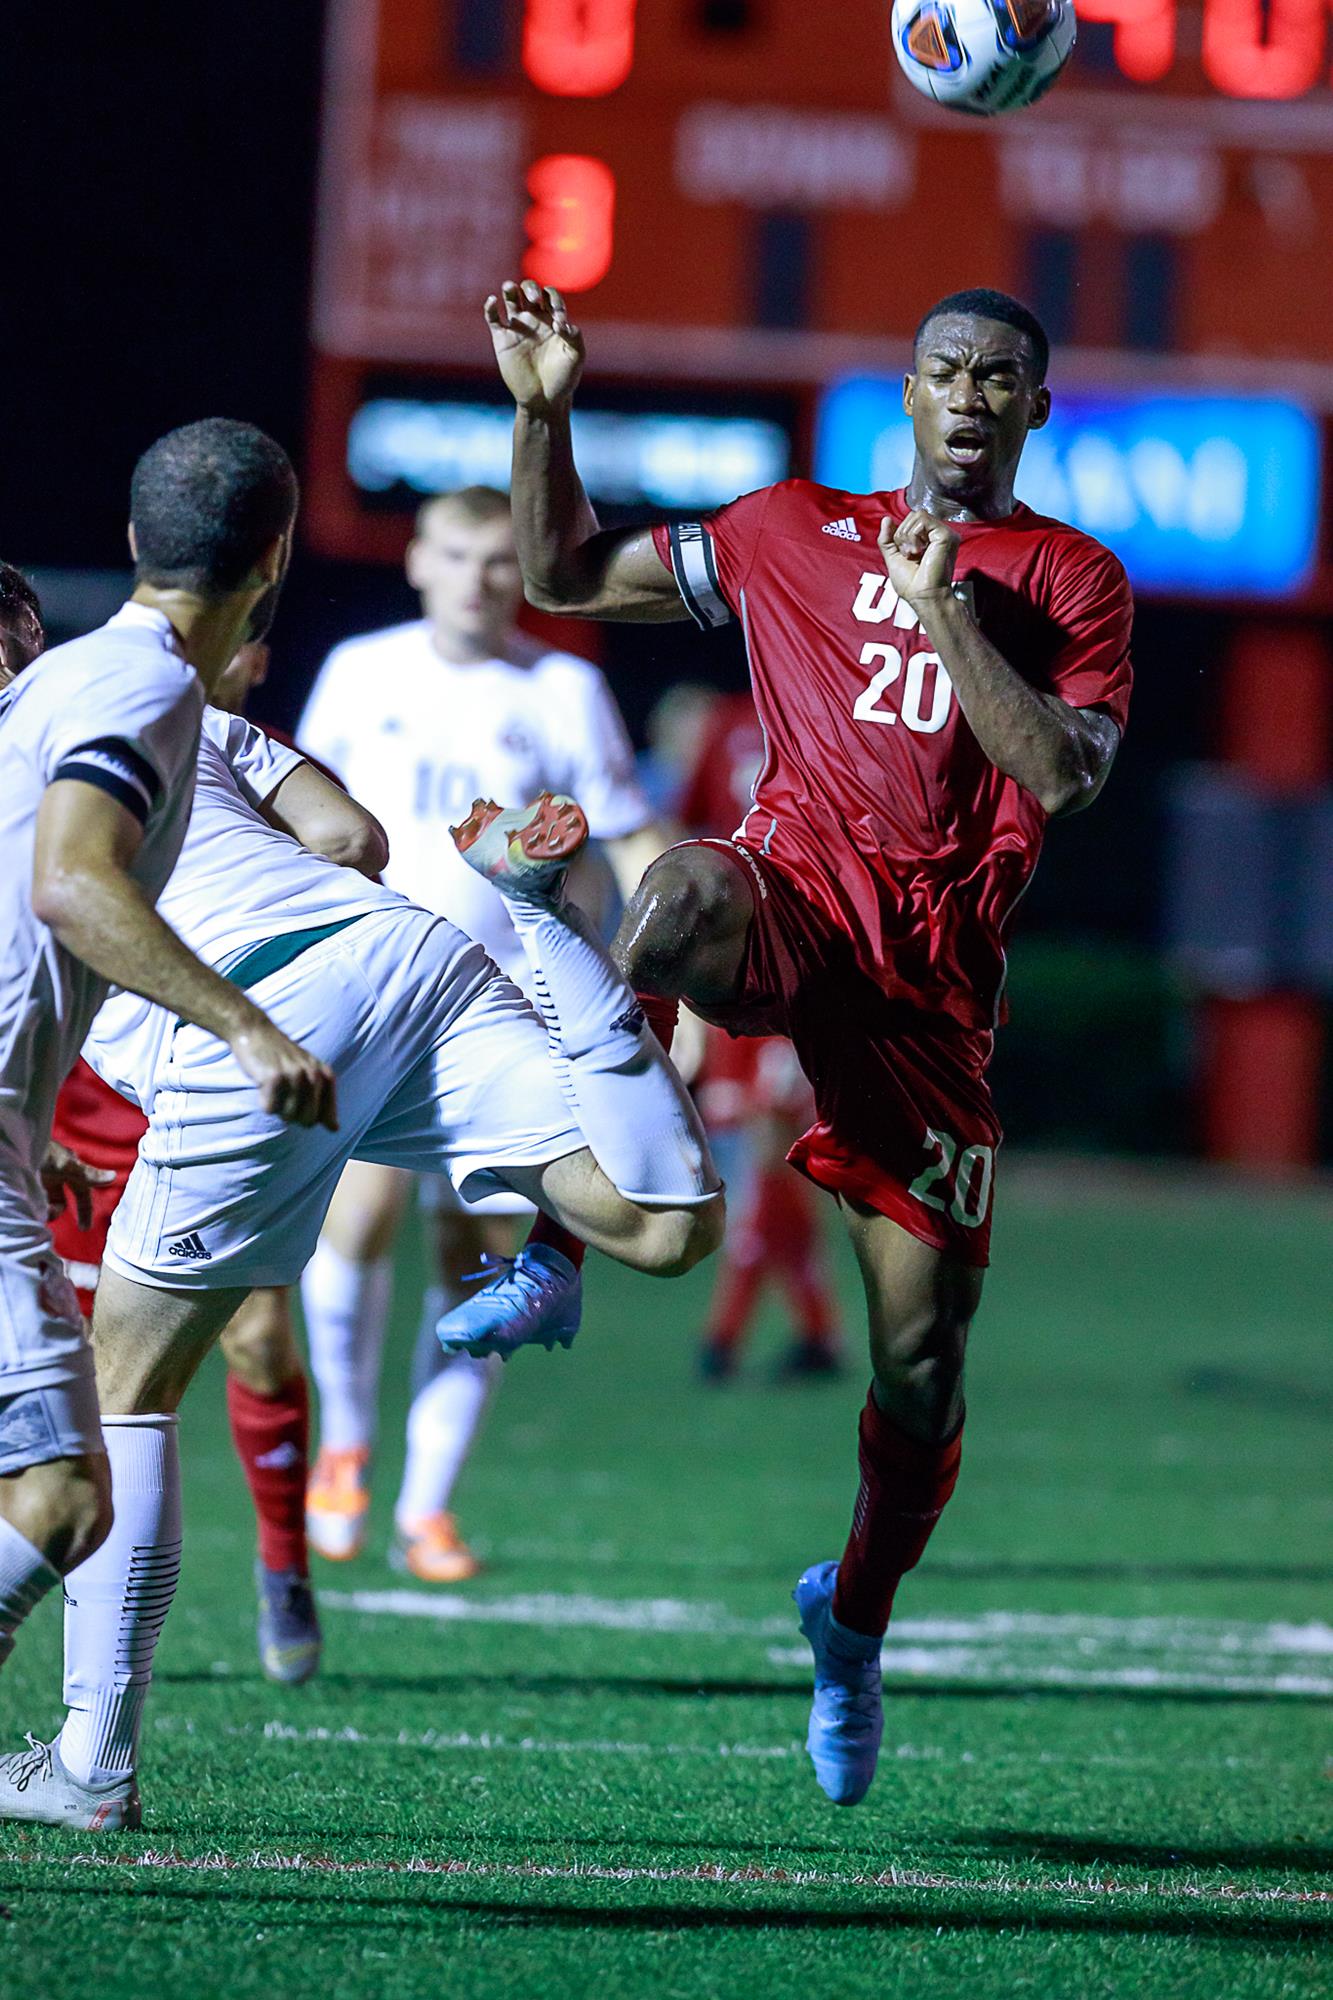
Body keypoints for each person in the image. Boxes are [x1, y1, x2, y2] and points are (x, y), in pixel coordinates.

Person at [473, 277, 1133, 1808]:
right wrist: (541, 408)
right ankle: (558, 1254)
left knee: (918, 1367)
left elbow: (1060, 773)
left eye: (999, 379)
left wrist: (946, 612)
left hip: (930, 1002)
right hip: (794, 901)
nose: (968, 396)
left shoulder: (1073, 582)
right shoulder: (784, 533)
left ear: (1034, 412)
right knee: (674, 895)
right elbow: (564, 574)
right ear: (906, 395)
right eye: (944, 369)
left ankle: (851, 1626)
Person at [0, 720, 722, 1827]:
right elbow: (352, 836)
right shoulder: (166, 700)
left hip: (247, 1027)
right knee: (662, 1222)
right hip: (407, 950)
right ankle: (544, 912)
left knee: (125, 1391)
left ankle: (93, 1761)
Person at [0, 420, 333, 1699]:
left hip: (33, 1140)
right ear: (276, 556)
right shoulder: (126, 689)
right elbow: (74, 884)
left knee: (72, 1478)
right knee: (65, 1493)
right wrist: (246, 1020)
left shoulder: (97, 700)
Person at [296, 486, 666, 1582]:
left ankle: (426, 1502)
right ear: (417, 561)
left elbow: (627, 828)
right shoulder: (363, 671)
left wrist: (692, 942)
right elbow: (298, 810)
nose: (476, 577)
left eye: (500, 559)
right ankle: (345, 1443)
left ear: (524, 572)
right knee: (356, 1216)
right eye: (456, 554)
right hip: (369, 988)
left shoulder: (561, 687)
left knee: (484, 1256)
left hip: (508, 1008)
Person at [45, 639, 373, 1686]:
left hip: (197, 1090)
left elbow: (352, 839)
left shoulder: (211, 746)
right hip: (56, 1118)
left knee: (254, 1338)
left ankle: (283, 1566)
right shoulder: (42, 772)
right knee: (66, 1381)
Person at [678, 693, 842, 1382]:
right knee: (763, 1171)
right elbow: (686, 837)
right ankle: (817, 1336)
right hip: (730, 980)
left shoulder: (833, 712)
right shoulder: (727, 722)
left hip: (796, 974)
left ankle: (722, 1339)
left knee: (764, 1162)